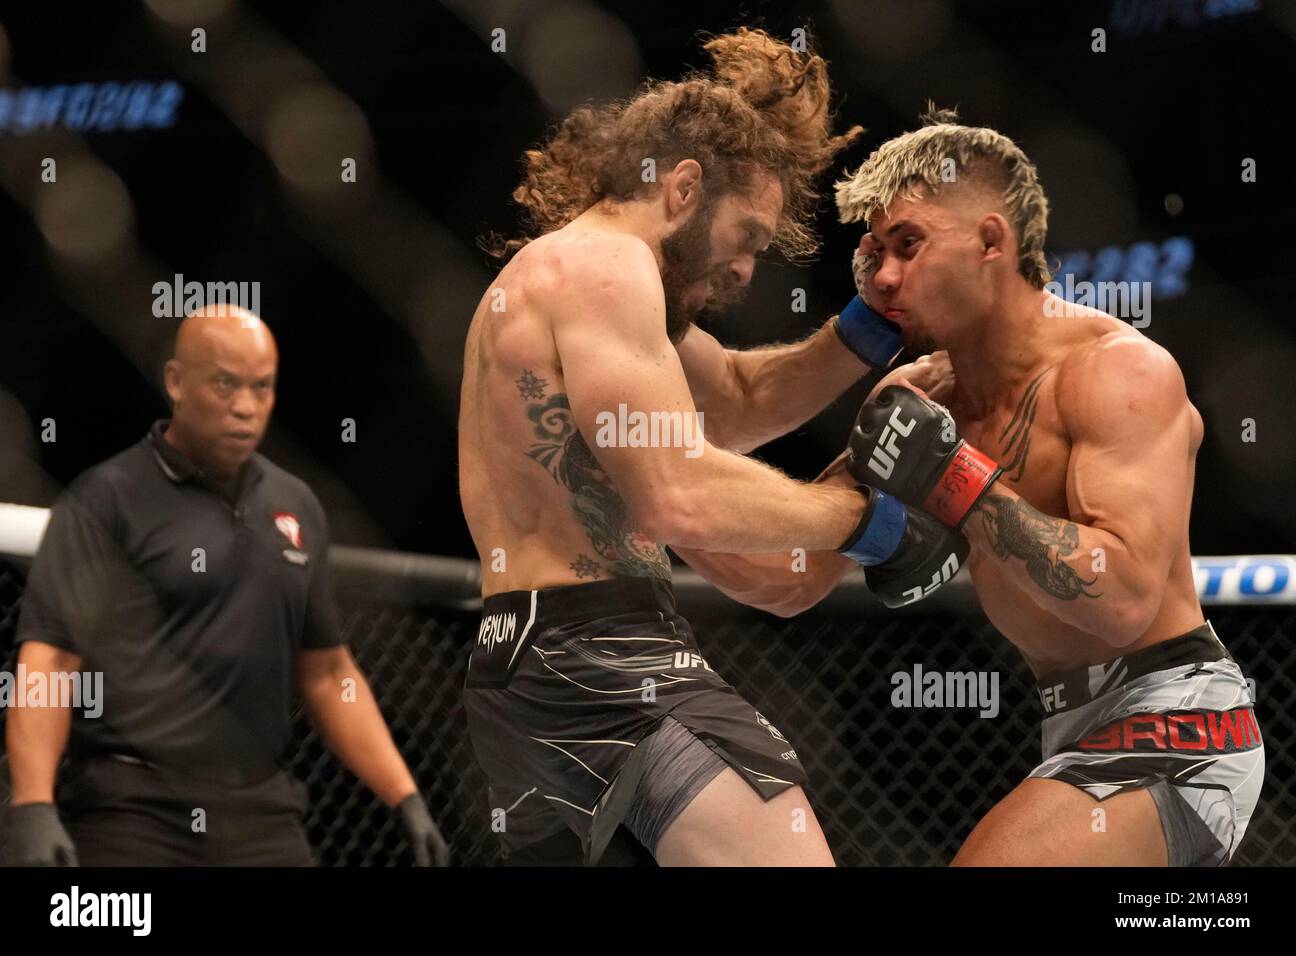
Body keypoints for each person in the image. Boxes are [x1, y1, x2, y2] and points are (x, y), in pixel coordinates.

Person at [685, 106, 1265, 866]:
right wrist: (660, 494)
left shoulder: (1116, 374)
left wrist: (962, 483)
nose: (884, 277)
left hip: (1178, 722)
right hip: (1070, 727)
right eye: (877, 253)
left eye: (909, 246)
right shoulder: (920, 396)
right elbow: (792, 577)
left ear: (992, 241)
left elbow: (1122, 600)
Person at [459, 29, 967, 866]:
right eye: (750, 237)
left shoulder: (575, 279)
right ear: (686, 187)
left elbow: (733, 400)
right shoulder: (605, 267)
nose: (745, 270)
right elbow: (674, 489)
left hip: (528, 659)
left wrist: (873, 329)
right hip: (604, 656)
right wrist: (867, 522)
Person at [5, 305, 448, 866]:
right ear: (176, 382)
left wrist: (403, 793)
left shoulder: (296, 506)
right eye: (225, 384)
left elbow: (329, 672)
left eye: (261, 388)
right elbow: (49, 663)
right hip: (132, 810)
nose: (245, 407)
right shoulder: (106, 500)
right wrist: (34, 802)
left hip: (262, 811)